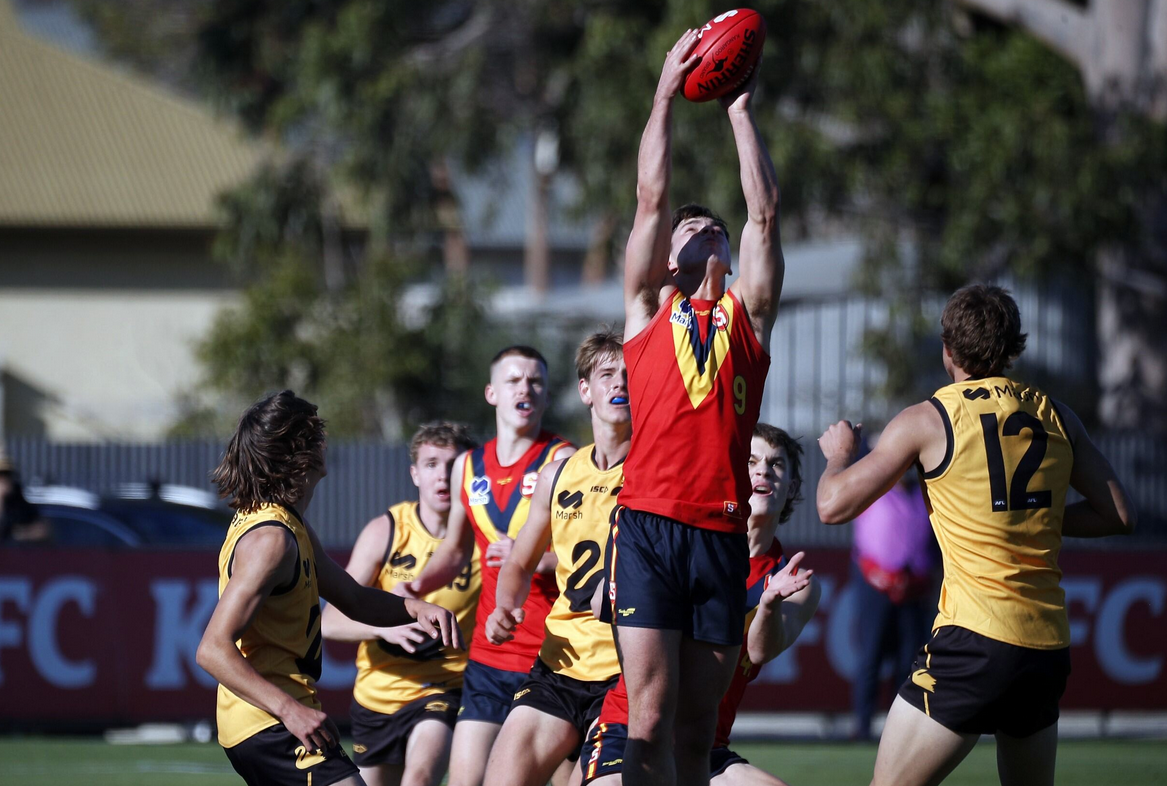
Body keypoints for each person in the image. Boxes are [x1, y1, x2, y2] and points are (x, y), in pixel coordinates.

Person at [816, 285, 1138, 786]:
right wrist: (1031, 519)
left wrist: (840, 451)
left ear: (947, 350)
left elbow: (831, 505)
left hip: (974, 641)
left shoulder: (930, 418)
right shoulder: (1056, 415)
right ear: (1014, 348)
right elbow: (1120, 514)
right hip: (1044, 646)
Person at [615, 27, 785, 786]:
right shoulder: (645, 313)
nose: (696, 230)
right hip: (649, 525)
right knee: (645, 722)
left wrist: (738, 112)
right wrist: (663, 91)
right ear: (664, 256)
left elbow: (766, 216)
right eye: (685, 229)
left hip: (719, 535)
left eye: (706, 226)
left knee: (695, 730)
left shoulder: (747, 319)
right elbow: (650, 193)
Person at [197, 391, 462, 786]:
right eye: (315, 433)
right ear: (297, 451)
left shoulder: (290, 525)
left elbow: (353, 598)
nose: (325, 442)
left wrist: (416, 610)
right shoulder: (272, 540)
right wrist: (290, 710)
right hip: (267, 721)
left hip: (273, 715)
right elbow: (212, 649)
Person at [582, 424, 819, 786]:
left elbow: (758, 650)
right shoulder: (689, 544)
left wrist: (768, 603)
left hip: (703, 746)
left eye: (776, 464)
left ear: (792, 488)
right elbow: (600, 605)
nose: (763, 471)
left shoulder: (794, 579)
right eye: (750, 461)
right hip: (628, 732)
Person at [405, 347, 574, 786]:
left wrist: (532, 559)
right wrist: (418, 583)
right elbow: (456, 551)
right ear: (491, 392)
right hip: (489, 654)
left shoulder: (563, 460)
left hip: (551, 656)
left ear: (546, 395)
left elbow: (583, 559)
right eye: (515, 380)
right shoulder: (467, 465)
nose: (526, 389)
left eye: (535, 382)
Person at [481, 329, 630, 786]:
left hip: (629, 672)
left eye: (630, 375)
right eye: (607, 375)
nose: (619, 384)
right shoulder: (558, 474)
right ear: (585, 390)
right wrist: (506, 608)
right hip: (559, 665)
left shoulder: (658, 471)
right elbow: (520, 563)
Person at [321, 422, 480, 786]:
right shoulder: (387, 530)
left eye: (453, 465)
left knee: (420, 778)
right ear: (414, 474)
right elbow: (330, 622)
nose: (442, 476)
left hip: (443, 688)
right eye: (431, 464)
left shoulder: (483, 537)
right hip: (377, 695)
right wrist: (383, 627)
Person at [850, 468, 937, 740]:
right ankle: (862, 726)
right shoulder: (875, 493)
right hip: (877, 586)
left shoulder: (924, 496)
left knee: (910, 662)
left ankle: (898, 731)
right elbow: (863, 545)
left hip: (914, 590)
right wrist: (883, 577)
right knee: (871, 657)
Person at [0, 451, 51, 544]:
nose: (4, 481)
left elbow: (43, 530)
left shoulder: (21, 507)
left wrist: (22, 534)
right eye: (2, 476)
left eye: (7, 475)